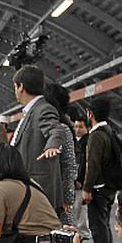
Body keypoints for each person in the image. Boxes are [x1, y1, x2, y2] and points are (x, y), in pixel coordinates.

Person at [10, 66, 64, 220]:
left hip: (39, 191)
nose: (15, 91)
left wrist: (52, 145)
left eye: (15, 86)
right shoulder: (30, 111)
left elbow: (56, 130)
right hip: (29, 191)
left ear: (21, 87)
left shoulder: (43, 109)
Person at [82, 98, 120, 243]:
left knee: (97, 225)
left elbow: (93, 165)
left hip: (99, 187)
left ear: (90, 114)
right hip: (110, 187)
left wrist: (87, 188)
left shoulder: (96, 135)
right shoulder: (110, 131)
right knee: (104, 223)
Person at [43, 82, 77, 227]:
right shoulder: (50, 127)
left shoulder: (62, 129)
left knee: (61, 233)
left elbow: (69, 166)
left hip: (58, 198)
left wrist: (68, 198)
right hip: (47, 195)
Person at [70, 107, 92, 240]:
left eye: (80, 127)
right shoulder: (77, 141)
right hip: (77, 180)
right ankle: (80, 230)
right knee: (77, 207)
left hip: (80, 181)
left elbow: (85, 162)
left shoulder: (86, 142)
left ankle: (83, 232)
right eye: (76, 127)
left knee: (80, 208)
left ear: (87, 128)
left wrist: (80, 179)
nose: (77, 129)